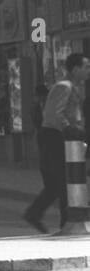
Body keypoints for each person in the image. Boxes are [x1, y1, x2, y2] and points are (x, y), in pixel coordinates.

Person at [25, 54, 89, 233]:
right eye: (86, 67)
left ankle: (42, 215)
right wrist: (69, 129)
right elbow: (54, 113)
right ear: (75, 69)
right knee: (62, 181)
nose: (88, 71)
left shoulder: (75, 87)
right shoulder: (64, 86)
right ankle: (63, 222)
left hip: (63, 138)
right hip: (54, 137)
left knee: (62, 183)